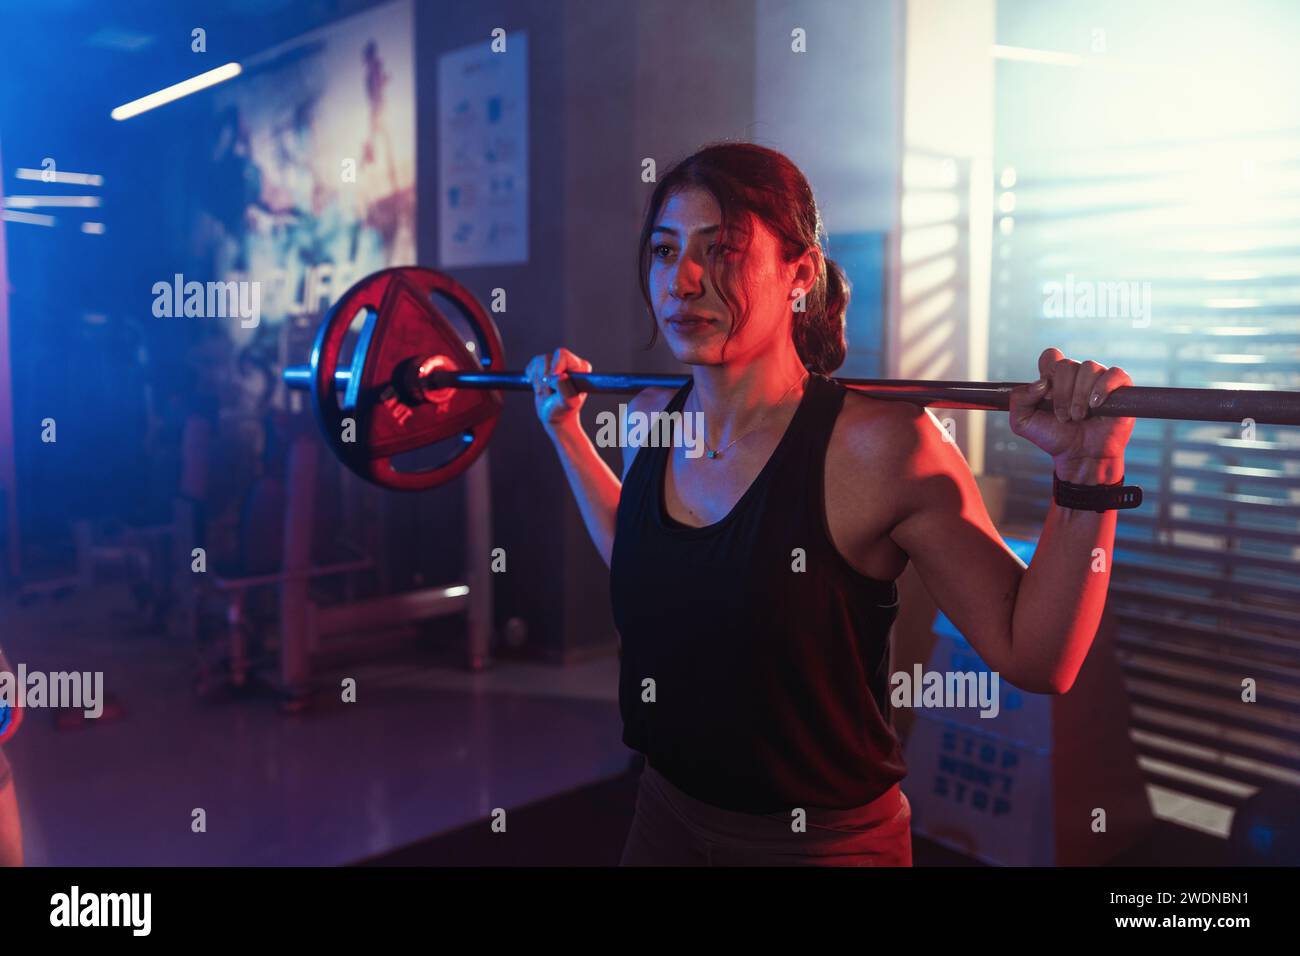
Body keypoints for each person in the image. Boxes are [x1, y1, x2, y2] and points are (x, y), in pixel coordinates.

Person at [526, 142, 1134, 866]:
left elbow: (1036, 657)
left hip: (821, 847)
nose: (682, 281)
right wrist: (566, 433)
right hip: (664, 818)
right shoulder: (652, 417)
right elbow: (643, 555)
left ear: (800, 274)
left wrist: (1088, 467)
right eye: (664, 251)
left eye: (720, 251)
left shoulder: (882, 446)